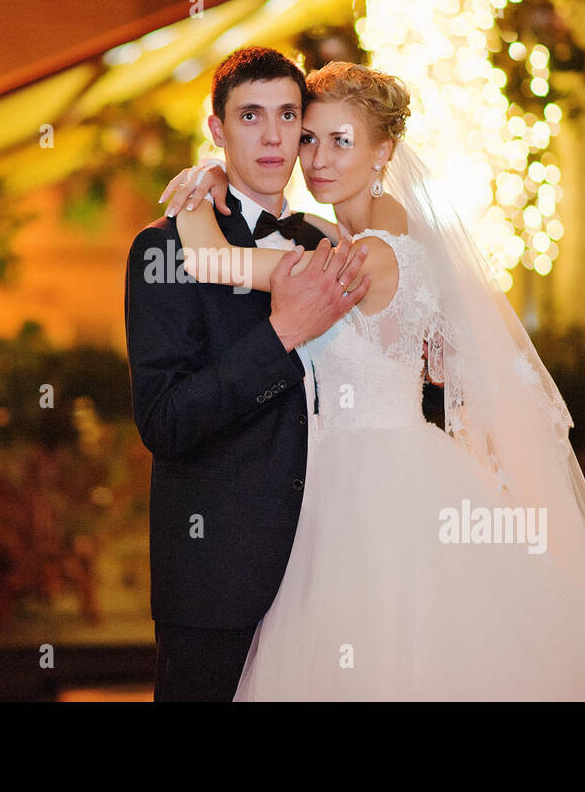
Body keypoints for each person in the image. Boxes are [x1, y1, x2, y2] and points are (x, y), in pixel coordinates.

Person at [161, 60, 585, 700]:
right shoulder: (373, 232)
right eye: (311, 138)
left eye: (342, 141)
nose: (317, 158)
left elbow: (215, 259)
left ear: (385, 152)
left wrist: (190, 190)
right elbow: (306, 233)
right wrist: (221, 175)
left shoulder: (364, 258)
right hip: (345, 472)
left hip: (367, 487)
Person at [124, 47, 372, 701]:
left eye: (287, 115)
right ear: (217, 129)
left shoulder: (325, 241)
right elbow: (166, 420)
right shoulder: (167, 248)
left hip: (330, 571)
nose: (270, 135)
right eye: (250, 115)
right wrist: (281, 334)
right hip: (217, 582)